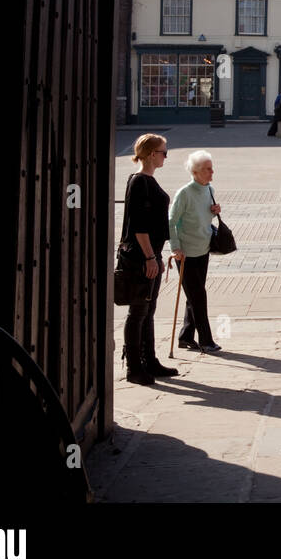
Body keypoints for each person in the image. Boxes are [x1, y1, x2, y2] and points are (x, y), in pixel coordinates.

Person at [120, 133, 177, 384]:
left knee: (149, 309)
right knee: (138, 310)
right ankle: (134, 367)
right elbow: (139, 227)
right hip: (140, 258)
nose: (166, 156)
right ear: (152, 154)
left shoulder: (147, 181)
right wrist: (150, 257)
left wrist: (157, 256)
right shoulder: (139, 182)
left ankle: (150, 360)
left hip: (151, 254)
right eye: (164, 152)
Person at [170, 149, 224, 354]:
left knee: (193, 295)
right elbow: (172, 221)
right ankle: (206, 340)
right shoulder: (184, 193)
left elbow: (205, 214)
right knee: (198, 296)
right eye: (207, 169)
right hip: (186, 252)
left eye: (211, 168)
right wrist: (175, 247)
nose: (212, 172)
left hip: (203, 248)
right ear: (195, 172)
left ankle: (185, 336)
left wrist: (214, 210)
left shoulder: (209, 188)